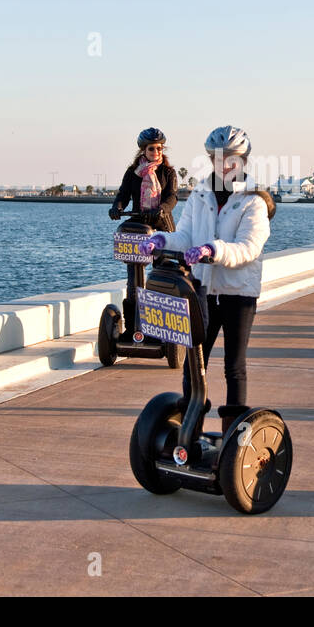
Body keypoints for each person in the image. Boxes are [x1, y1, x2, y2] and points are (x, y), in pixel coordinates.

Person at [139, 126, 275, 434]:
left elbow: (249, 248)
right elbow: (186, 235)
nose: (224, 164)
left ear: (243, 161)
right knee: (193, 365)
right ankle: (190, 432)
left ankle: (231, 439)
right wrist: (161, 241)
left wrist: (211, 250)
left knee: (233, 366)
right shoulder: (200, 193)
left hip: (238, 293)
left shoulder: (254, 201)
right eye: (217, 158)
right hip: (202, 290)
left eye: (231, 158)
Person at [109, 127, 178, 232]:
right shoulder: (132, 172)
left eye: (159, 148)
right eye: (151, 148)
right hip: (138, 219)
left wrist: (162, 209)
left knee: (169, 244)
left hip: (162, 221)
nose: (156, 151)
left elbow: (172, 197)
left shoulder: (168, 172)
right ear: (143, 150)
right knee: (122, 230)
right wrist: (116, 208)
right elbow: (123, 194)